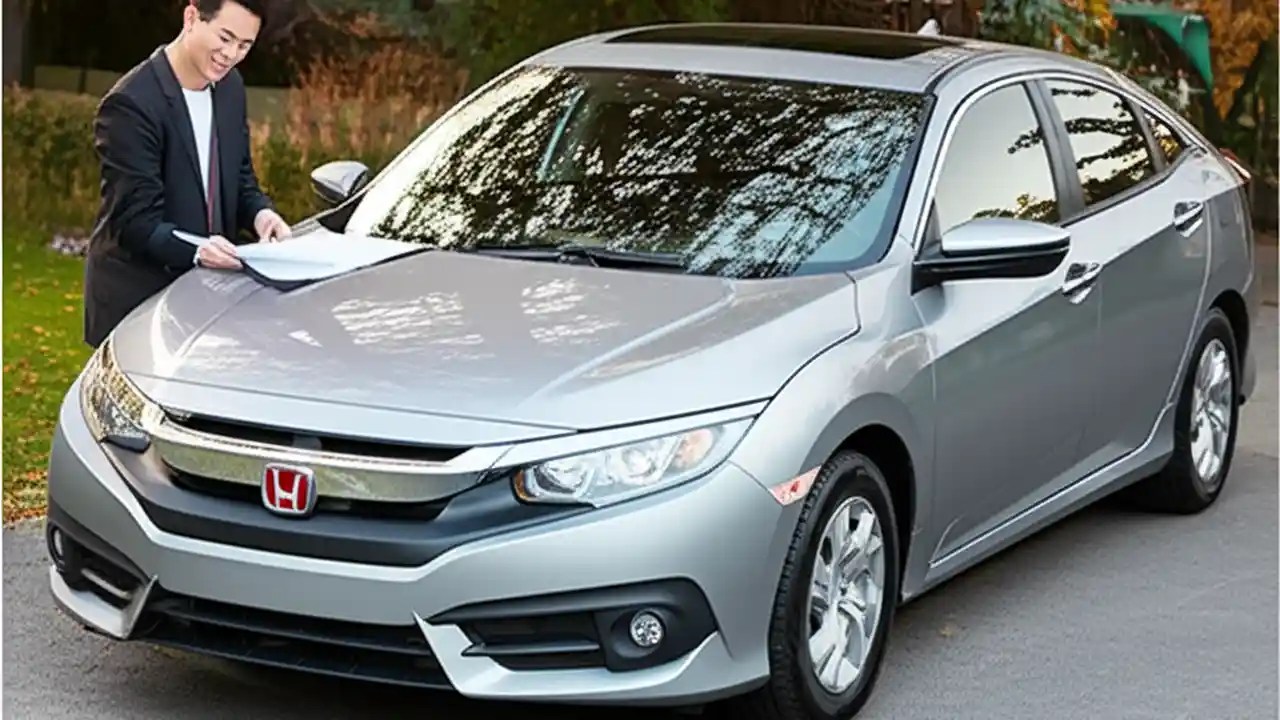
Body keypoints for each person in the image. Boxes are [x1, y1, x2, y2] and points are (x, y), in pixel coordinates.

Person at [83, 0, 291, 347]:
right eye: (225, 38)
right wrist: (199, 250)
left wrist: (261, 214)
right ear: (191, 17)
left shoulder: (230, 88)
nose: (231, 55)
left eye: (244, 45)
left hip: (208, 300)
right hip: (137, 299)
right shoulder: (130, 104)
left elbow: (239, 177)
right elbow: (135, 223)